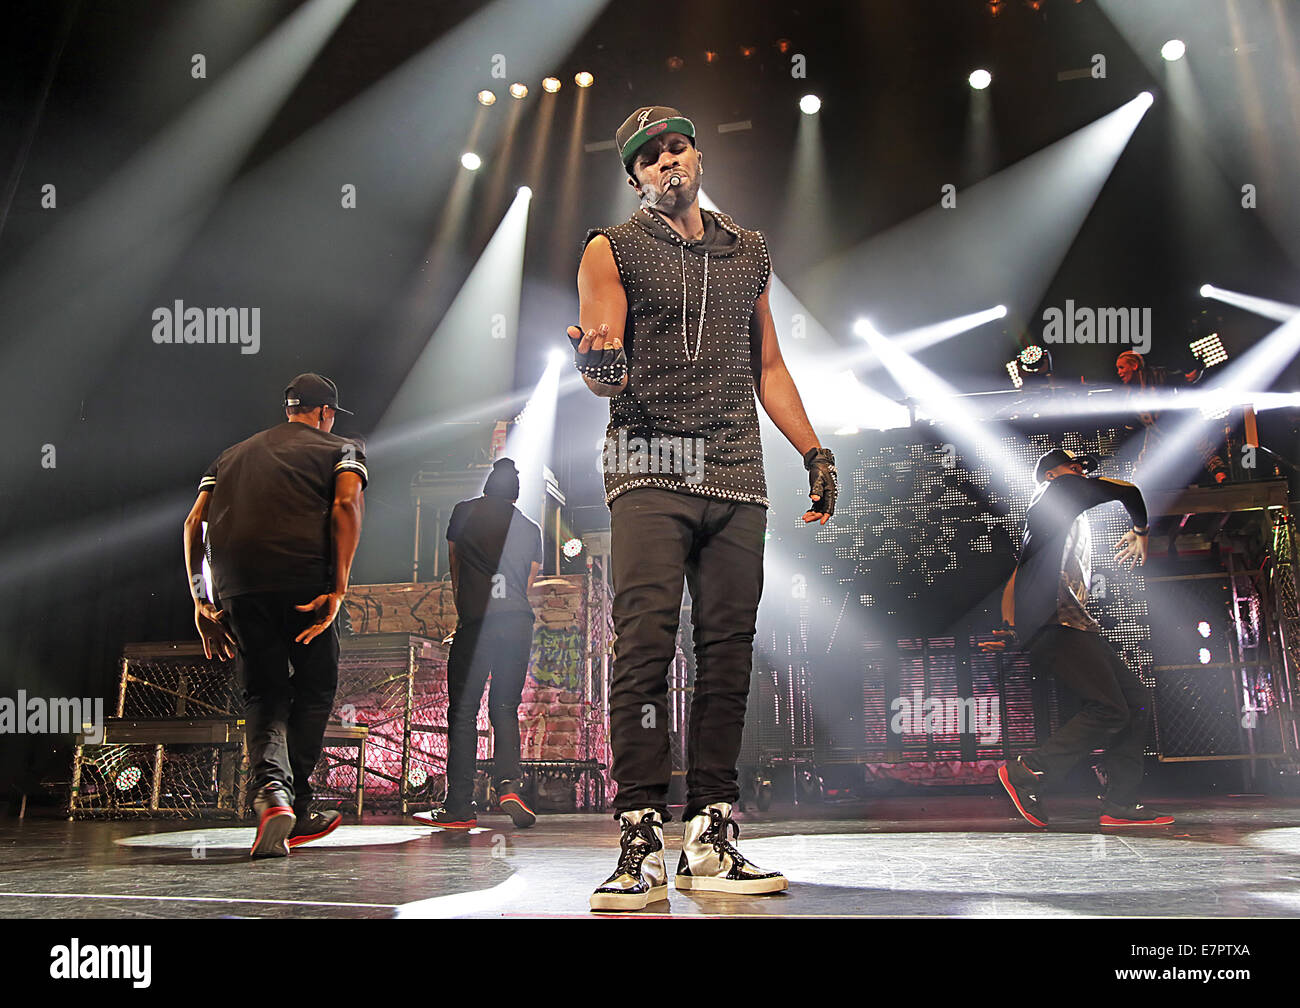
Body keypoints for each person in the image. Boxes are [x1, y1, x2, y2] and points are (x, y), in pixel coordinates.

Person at [570, 105, 838, 911]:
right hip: (650, 463)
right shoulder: (610, 246)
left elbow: (771, 365)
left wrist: (814, 450)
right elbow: (605, 362)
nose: (666, 162)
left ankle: (712, 832)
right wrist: (599, 365)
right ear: (635, 178)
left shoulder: (748, 249)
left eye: (676, 146)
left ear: (697, 154)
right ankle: (641, 833)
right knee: (645, 644)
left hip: (734, 469)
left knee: (729, 652)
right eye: (649, 158)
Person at [182, 373, 367, 857]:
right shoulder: (340, 448)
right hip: (305, 582)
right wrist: (339, 589)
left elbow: (193, 522)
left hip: (239, 587)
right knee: (314, 686)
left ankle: (272, 796)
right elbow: (346, 504)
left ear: (290, 408)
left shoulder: (231, 455)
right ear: (325, 412)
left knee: (263, 691)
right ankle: (299, 804)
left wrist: (202, 599)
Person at [997, 447, 1174, 829]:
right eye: (1073, 467)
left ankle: (1120, 803)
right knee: (1109, 707)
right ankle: (1027, 770)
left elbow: (1018, 574)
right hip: (1056, 623)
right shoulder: (1055, 493)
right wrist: (1141, 531)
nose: (1080, 472)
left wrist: (1014, 629)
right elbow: (1128, 491)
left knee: (1134, 701)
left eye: (1083, 468)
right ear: (1050, 475)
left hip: (1070, 622)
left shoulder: (1057, 515)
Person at [416, 457, 542, 830]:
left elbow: (455, 565)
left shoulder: (464, 513)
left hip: (477, 623)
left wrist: (467, 610)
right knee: (504, 707)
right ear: (516, 494)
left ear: (488, 486)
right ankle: (509, 784)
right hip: (518, 623)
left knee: (464, 712)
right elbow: (528, 583)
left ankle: (459, 806)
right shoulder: (530, 528)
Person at [1116, 350, 1228, 484]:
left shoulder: (1158, 375)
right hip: (1156, 431)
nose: (1119, 372)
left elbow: (1185, 378)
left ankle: (1222, 478)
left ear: (1134, 366)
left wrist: (1198, 367)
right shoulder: (1128, 393)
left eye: (1122, 367)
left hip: (1177, 423)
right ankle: (1137, 490)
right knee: (1142, 466)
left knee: (1203, 448)